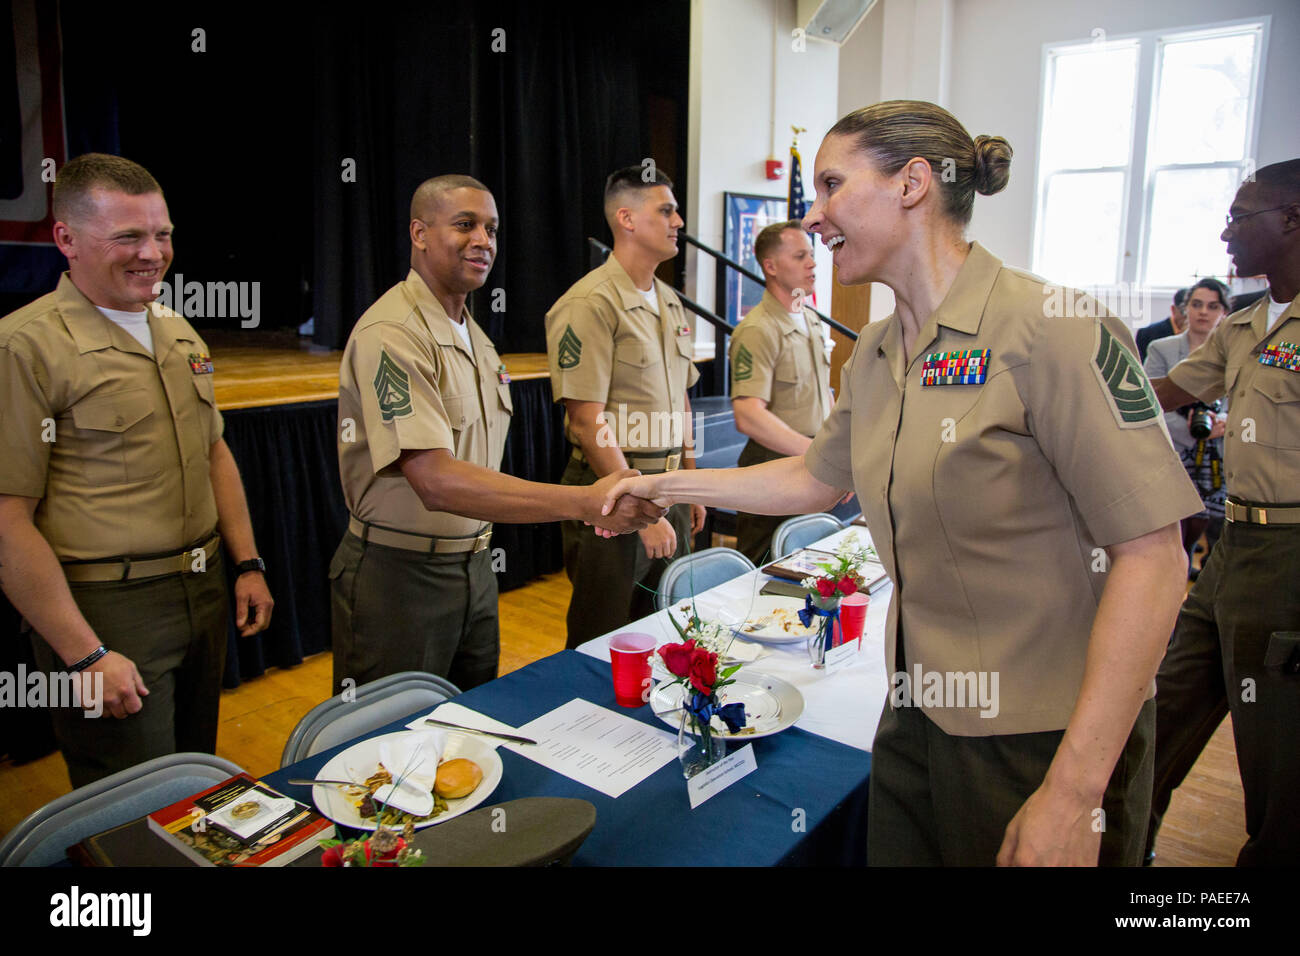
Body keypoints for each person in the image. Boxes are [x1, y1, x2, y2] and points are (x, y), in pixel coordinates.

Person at [601, 102, 1201, 866]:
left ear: (914, 183)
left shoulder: (1054, 328)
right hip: (917, 718)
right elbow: (817, 478)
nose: (814, 218)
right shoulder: (883, 348)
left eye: (831, 186)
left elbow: (1154, 558)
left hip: (1041, 737)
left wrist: (1075, 790)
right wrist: (669, 485)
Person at [0, 154, 274, 787]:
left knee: (191, 781)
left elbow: (213, 454)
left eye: (163, 234)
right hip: (106, 607)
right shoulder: (26, 347)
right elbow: (7, 521)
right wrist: (84, 653)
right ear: (65, 238)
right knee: (129, 806)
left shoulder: (180, 334)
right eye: (128, 236)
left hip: (202, 594)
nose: (152, 253)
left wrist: (248, 562)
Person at [331, 174, 661, 694]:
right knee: (390, 752)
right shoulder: (392, 333)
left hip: (476, 568)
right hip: (401, 576)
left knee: (467, 729)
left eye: (492, 228)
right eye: (465, 225)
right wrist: (584, 501)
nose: (484, 240)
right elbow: (436, 481)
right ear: (419, 234)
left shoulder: (478, 339)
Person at [1147, 159, 1300, 866]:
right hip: (1228, 544)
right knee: (1161, 718)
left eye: (1241, 216)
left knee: (1276, 766)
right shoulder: (1244, 325)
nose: (1226, 231)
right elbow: (1164, 394)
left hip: (1290, 563)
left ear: (1291, 220)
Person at [544, 166, 706, 649]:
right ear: (627, 218)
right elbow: (586, 417)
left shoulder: (671, 302)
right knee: (605, 634)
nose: (678, 220)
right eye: (666, 210)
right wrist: (638, 509)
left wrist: (692, 477)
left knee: (667, 628)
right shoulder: (589, 303)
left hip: (668, 487)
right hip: (614, 496)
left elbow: (680, 395)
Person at [729, 220, 838, 565]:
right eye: (800, 255)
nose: (812, 263)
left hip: (813, 461)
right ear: (771, 266)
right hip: (774, 466)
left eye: (811, 254)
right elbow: (748, 414)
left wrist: (836, 447)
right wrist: (816, 452)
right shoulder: (759, 328)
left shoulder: (810, 318)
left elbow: (824, 393)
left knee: (808, 568)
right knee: (762, 570)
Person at [1143, 278, 1232, 574]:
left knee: (1206, 531)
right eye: (1196, 304)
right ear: (1185, 309)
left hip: (1216, 457)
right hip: (1172, 452)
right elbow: (1146, 405)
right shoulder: (1161, 349)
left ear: (1224, 312)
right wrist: (1187, 431)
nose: (1203, 312)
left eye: (1212, 306)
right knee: (1167, 535)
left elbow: (1242, 402)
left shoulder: (1234, 352)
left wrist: (1223, 424)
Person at [1135, 288, 1189, 362]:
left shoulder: (1204, 336)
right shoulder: (1147, 334)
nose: (1188, 316)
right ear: (1173, 309)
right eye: (1184, 311)